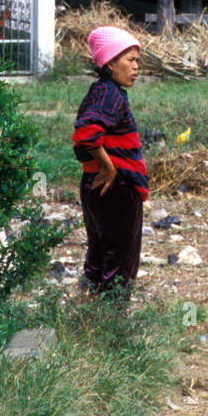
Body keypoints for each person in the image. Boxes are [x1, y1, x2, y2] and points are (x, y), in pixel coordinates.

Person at [72, 25, 149, 298]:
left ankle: (91, 315)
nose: (136, 67)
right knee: (120, 260)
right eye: (130, 60)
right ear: (109, 62)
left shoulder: (101, 91)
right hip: (115, 187)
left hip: (96, 185)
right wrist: (108, 165)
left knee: (100, 251)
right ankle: (113, 325)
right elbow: (87, 132)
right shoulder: (110, 94)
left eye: (137, 61)